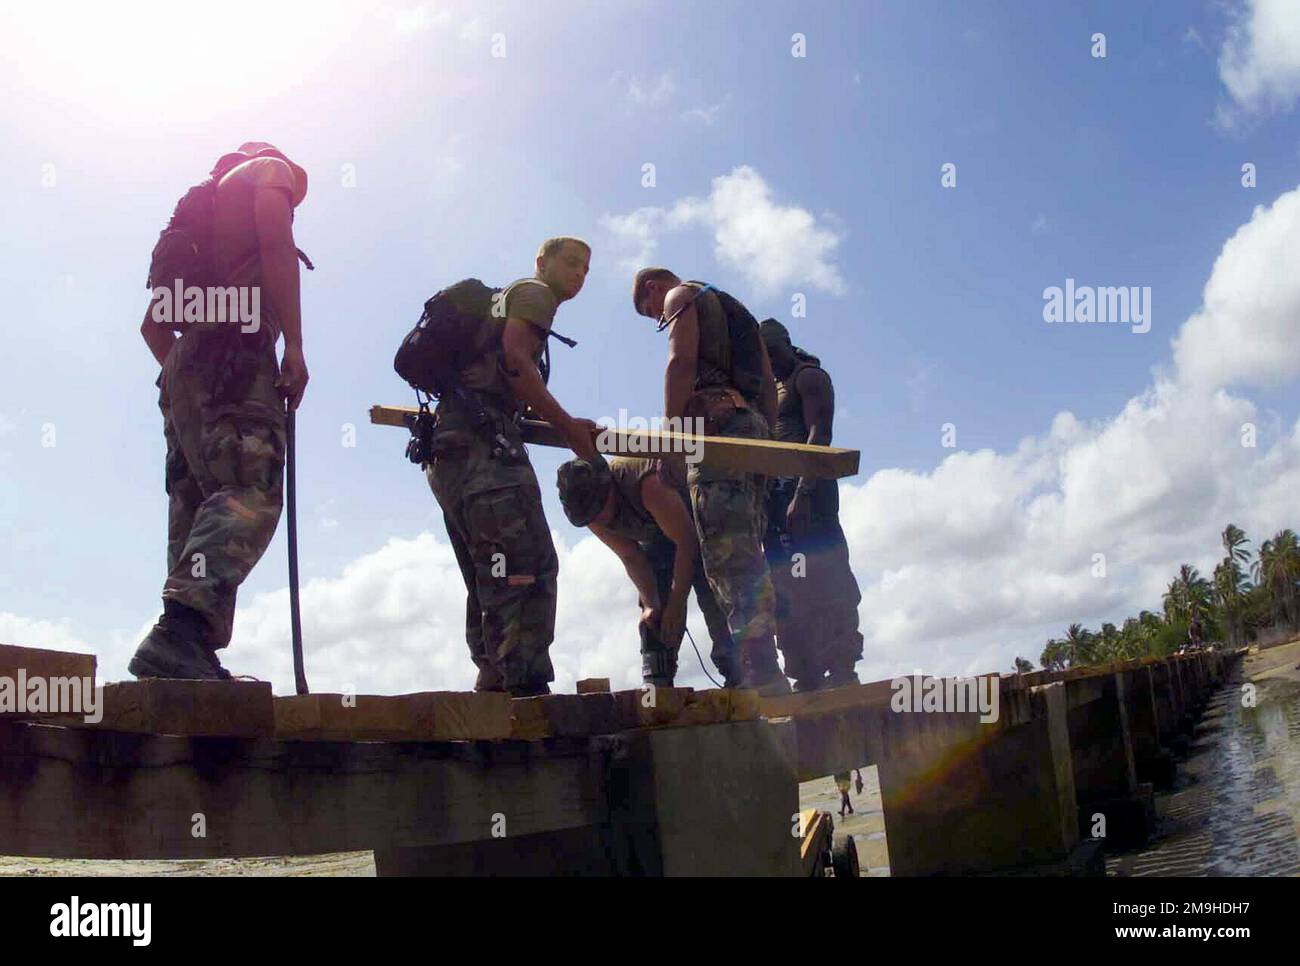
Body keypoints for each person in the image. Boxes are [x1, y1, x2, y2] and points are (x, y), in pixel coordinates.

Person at [130, 142, 310, 680]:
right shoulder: (267, 171)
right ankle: (181, 630)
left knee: (198, 500)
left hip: (185, 364)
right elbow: (278, 246)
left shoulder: (202, 220)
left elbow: (152, 327)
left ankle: (185, 653)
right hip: (235, 352)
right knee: (250, 488)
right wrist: (294, 346)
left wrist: (190, 378)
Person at [426, 237, 599, 696]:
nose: (578, 273)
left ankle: (494, 680)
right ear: (541, 261)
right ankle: (523, 688)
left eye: (586, 268)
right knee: (528, 563)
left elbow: (506, 371)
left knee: (491, 568)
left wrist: (557, 419)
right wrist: (567, 429)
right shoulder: (535, 293)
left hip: (450, 449)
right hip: (485, 448)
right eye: (570, 262)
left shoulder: (507, 300)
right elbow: (516, 365)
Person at [631, 268, 790, 695]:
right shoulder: (734, 306)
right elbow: (769, 385)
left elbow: (680, 362)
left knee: (726, 552)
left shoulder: (679, 296)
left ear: (652, 289)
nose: (657, 318)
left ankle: (760, 673)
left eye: (652, 314)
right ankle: (763, 666)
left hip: (714, 432)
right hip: (750, 427)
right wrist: (767, 445)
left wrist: (671, 439)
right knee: (746, 546)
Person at [557, 455, 737, 686]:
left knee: (717, 598)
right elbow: (632, 557)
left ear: (609, 487)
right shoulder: (589, 514)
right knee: (654, 616)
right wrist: (652, 603)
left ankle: (739, 677)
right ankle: (657, 687)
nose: (601, 518)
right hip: (659, 536)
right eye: (593, 516)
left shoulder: (646, 483)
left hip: (701, 525)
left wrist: (677, 602)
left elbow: (687, 541)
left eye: (601, 508)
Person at [759, 318, 863, 692]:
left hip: (811, 496)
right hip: (777, 502)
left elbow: (820, 434)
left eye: (773, 352)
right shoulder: (771, 388)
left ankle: (841, 668)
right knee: (786, 585)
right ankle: (804, 671)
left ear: (786, 345)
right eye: (764, 357)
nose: (770, 361)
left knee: (827, 577)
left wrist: (803, 493)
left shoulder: (810, 378)